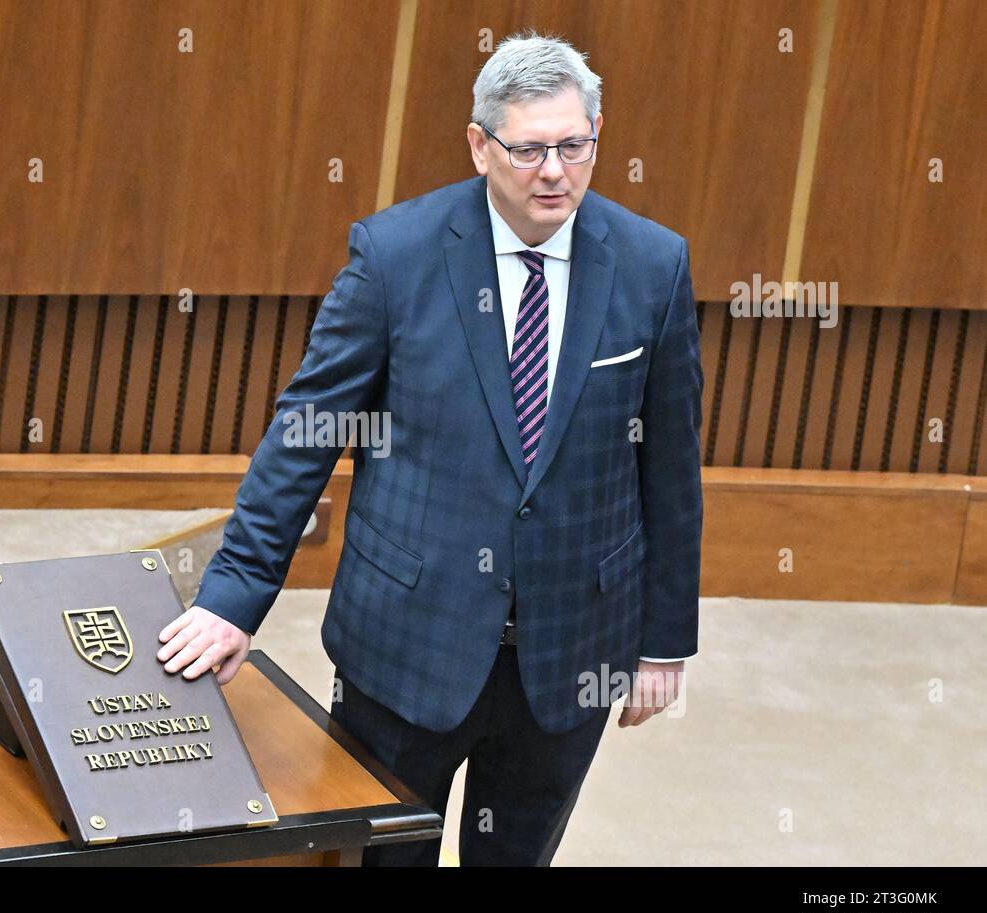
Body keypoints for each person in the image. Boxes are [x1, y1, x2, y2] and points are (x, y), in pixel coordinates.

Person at [157, 30, 703, 866]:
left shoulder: (653, 264)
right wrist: (234, 595)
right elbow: (306, 431)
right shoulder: (395, 257)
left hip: (571, 652)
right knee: (382, 857)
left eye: (574, 145)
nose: (554, 171)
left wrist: (664, 641)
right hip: (408, 642)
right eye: (528, 150)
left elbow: (668, 467)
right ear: (480, 147)